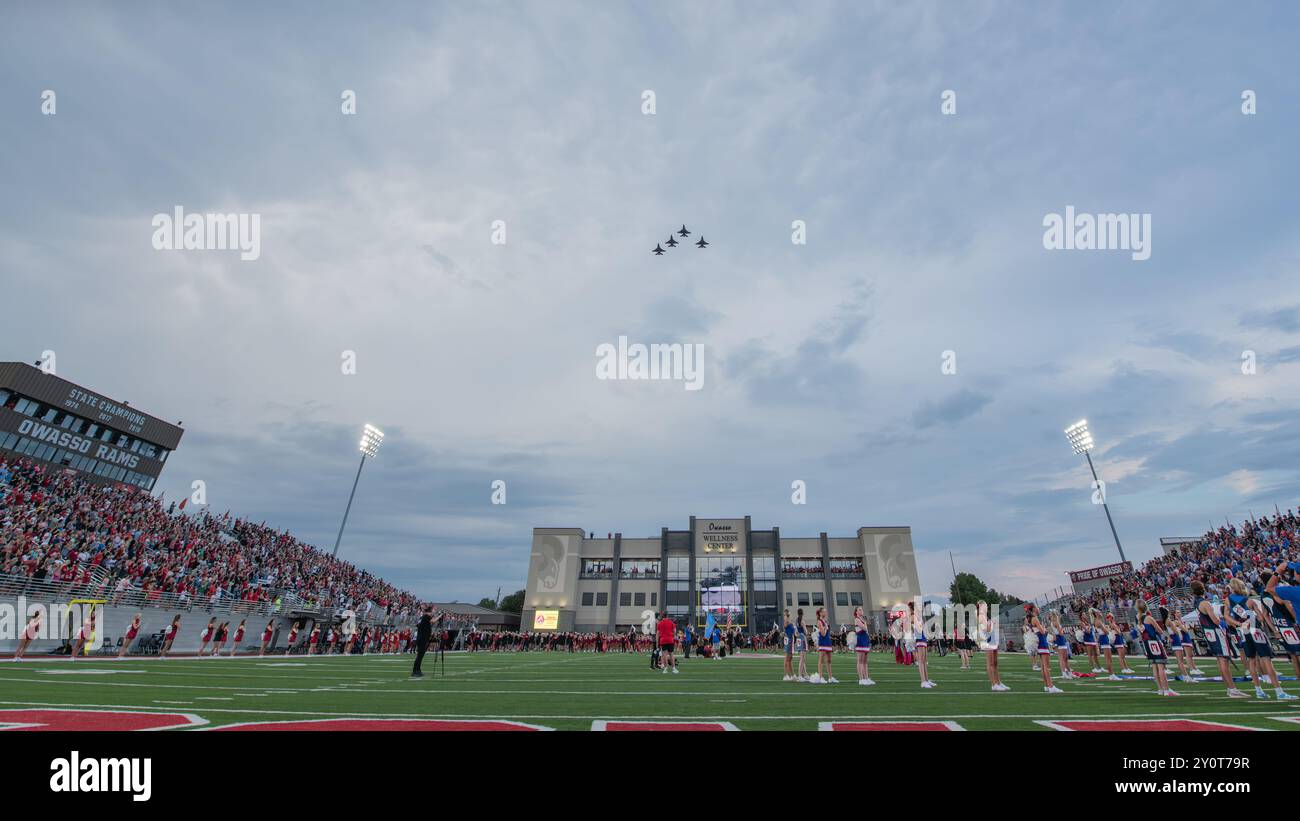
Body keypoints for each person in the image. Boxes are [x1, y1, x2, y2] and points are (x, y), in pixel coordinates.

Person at [1191, 580, 1248, 698]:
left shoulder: (1196, 603)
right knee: (1224, 661)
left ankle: (1230, 688)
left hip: (1209, 633)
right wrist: (1223, 621)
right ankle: (1232, 689)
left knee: (1220, 660)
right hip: (1216, 632)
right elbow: (1215, 620)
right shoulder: (1205, 603)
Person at [1136, 598, 1177, 696]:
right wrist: (1167, 636)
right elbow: (1159, 630)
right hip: (1154, 642)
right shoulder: (1149, 618)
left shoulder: (1137, 618)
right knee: (1161, 667)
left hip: (1147, 643)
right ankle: (1167, 690)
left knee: (1154, 667)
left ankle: (1160, 689)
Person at [1026, 604, 1061, 693]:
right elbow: (1042, 631)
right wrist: (1045, 630)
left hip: (1039, 642)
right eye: (1037, 607)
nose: (1038, 608)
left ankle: (1046, 686)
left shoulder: (1031, 619)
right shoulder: (1035, 618)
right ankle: (1051, 686)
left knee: (1043, 666)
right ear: (1034, 609)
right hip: (1042, 641)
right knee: (1046, 666)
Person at [978, 601, 1008, 691]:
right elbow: (986, 629)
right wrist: (991, 623)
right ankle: (993, 684)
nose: (987, 607)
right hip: (987, 640)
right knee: (990, 663)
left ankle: (998, 682)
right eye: (985, 605)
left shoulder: (985, 616)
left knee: (995, 663)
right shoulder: (980, 616)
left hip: (992, 638)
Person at [812, 607, 837, 684]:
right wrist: (826, 628)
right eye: (823, 612)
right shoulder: (819, 621)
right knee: (821, 660)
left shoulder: (825, 621)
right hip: (822, 642)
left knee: (829, 660)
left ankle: (830, 677)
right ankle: (820, 677)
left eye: (825, 612)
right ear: (820, 613)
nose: (825, 613)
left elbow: (827, 634)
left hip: (827, 641)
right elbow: (823, 633)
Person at [852, 606, 874, 686]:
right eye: (859, 610)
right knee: (860, 661)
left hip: (865, 639)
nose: (861, 611)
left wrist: (865, 623)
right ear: (856, 612)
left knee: (865, 661)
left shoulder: (862, 619)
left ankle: (867, 678)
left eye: (862, 609)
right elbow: (864, 628)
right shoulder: (857, 619)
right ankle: (861, 679)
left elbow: (866, 629)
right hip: (860, 640)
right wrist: (865, 623)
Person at [411, 606, 433, 678]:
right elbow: (433, 621)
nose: (433, 613)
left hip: (422, 638)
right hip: (422, 639)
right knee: (420, 656)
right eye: (432, 611)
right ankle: (415, 671)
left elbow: (418, 625)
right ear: (429, 611)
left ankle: (418, 670)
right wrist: (440, 616)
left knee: (420, 656)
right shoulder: (426, 616)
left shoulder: (422, 618)